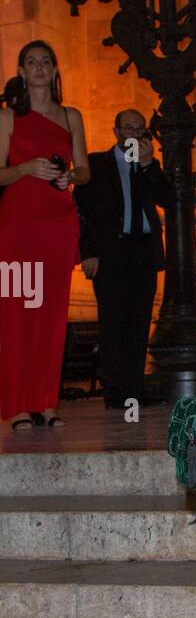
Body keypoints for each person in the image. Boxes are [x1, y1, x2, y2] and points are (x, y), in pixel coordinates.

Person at [0, 40, 90, 430]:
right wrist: (25, 169)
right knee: (17, 312)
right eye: (31, 62)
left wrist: (70, 176)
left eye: (45, 62)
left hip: (57, 223)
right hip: (18, 225)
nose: (38, 68)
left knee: (51, 315)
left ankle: (47, 403)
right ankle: (18, 405)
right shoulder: (7, 117)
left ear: (55, 71)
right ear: (21, 71)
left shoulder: (71, 116)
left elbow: (85, 169)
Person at [73, 109, 173, 408]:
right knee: (113, 322)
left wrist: (148, 165)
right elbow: (82, 211)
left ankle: (133, 389)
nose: (133, 134)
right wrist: (88, 252)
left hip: (142, 252)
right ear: (116, 131)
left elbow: (168, 199)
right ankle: (115, 391)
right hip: (110, 253)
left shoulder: (147, 165)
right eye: (128, 128)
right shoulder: (96, 164)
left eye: (139, 129)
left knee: (139, 322)